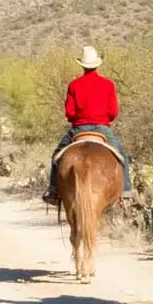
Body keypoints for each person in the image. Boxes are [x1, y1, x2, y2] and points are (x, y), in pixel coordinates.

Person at [42, 46, 129, 205]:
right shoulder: (108, 84)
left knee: (56, 156)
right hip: (102, 129)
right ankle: (128, 192)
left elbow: (69, 112)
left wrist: (79, 117)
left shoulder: (74, 85)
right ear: (97, 64)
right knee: (123, 157)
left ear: (82, 65)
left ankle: (53, 189)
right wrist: (102, 118)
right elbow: (113, 112)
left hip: (79, 129)